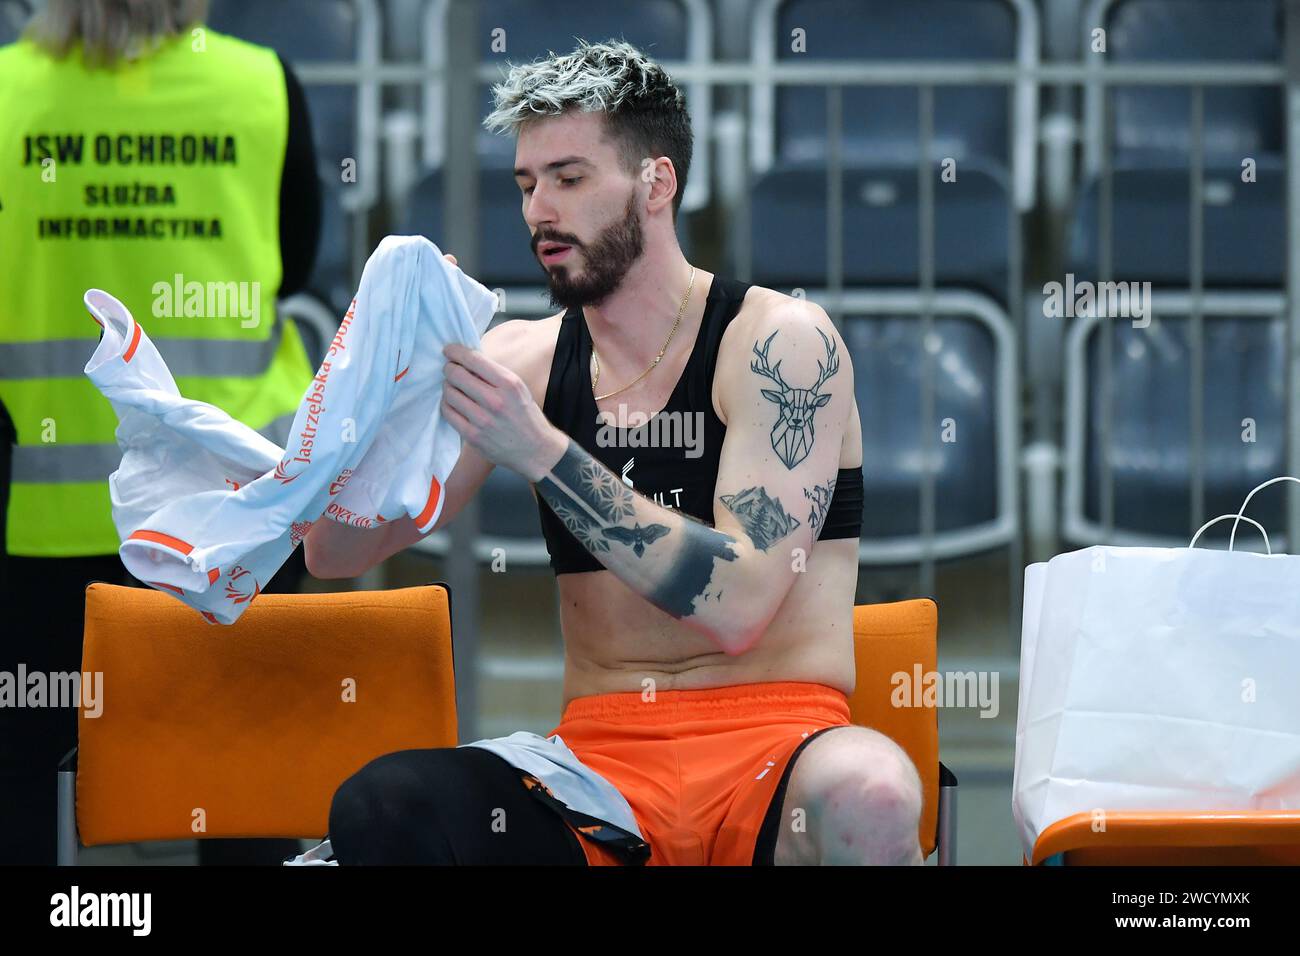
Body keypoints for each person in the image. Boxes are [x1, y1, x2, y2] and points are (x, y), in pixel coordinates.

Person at [307, 39, 924, 865]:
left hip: (777, 740)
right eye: (526, 184)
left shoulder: (780, 343)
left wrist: (543, 451)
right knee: (386, 805)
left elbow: (737, 607)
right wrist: (372, 386)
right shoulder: (523, 359)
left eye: (569, 178)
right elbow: (335, 550)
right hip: (599, 761)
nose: (538, 211)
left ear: (655, 183)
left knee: (873, 791)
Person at [0, 0, 321, 865]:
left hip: (39, 514)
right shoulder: (263, 85)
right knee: (240, 773)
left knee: (22, 771)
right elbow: (295, 259)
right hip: (229, 516)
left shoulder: (5, 91)